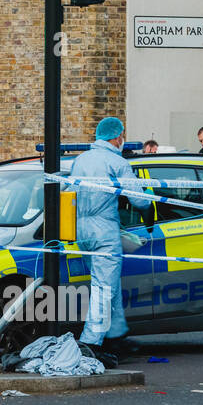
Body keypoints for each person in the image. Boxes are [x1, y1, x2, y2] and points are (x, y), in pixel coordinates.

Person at [69, 117, 151, 356]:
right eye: (121, 136)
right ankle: (91, 342)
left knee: (106, 284)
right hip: (104, 229)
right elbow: (138, 199)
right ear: (117, 137)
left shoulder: (80, 160)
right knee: (104, 287)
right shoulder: (117, 162)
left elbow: (67, 192)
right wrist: (149, 205)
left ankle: (116, 335)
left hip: (81, 230)